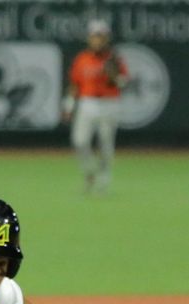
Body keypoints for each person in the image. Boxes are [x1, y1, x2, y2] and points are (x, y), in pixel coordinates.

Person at [61, 19, 127, 194]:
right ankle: (90, 172)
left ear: (106, 38)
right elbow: (74, 84)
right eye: (94, 36)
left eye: (100, 36)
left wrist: (114, 77)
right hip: (87, 103)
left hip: (109, 103)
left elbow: (123, 83)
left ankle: (104, 177)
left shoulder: (114, 58)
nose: (97, 40)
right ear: (89, 38)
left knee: (106, 143)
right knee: (80, 141)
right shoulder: (82, 59)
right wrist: (68, 106)